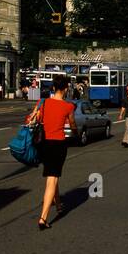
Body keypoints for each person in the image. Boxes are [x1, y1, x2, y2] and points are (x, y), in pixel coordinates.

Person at [27, 75, 77, 231]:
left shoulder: (43, 102)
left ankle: (59, 203)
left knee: (52, 173)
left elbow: (34, 119)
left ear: (54, 88)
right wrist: (74, 132)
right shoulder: (68, 107)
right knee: (52, 178)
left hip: (44, 144)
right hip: (58, 144)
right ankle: (43, 218)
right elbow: (72, 124)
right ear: (66, 89)